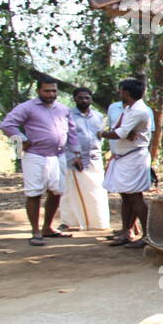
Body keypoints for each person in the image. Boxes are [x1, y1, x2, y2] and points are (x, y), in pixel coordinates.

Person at [0, 76, 79, 246]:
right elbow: (7, 125)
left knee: (57, 191)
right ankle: (35, 231)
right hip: (35, 155)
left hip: (58, 156)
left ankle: (47, 228)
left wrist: (76, 152)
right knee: (34, 192)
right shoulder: (27, 107)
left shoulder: (63, 109)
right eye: (47, 90)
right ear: (38, 91)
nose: (51, 94)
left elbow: (72, 131)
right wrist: (21, 138)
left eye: (54, 91)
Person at [101, 78, 153, 248]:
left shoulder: (140, 111)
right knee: (125, 195)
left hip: (133, 158)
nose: (120, 93)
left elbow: (120, 132)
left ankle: (147, 236)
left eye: (121, 91)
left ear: (127, 92)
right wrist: (118, 132)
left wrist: (102, 134)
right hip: (123, 157)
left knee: (135, 196)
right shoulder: (129, 109)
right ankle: (126, 232)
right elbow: (120, 130)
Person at [59, 87, 111, 232]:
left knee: (97, 191)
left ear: (91, 99)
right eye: (80, 98)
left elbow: (99, 138)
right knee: (70, 191)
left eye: (87, 98)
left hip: (94, 159)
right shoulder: (67, 116)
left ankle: (98, 222)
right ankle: (70, 222)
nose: (84, 101)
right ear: (74, 99)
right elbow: (64, 138)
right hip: (74, 159)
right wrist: (73, 157)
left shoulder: (98, 117)